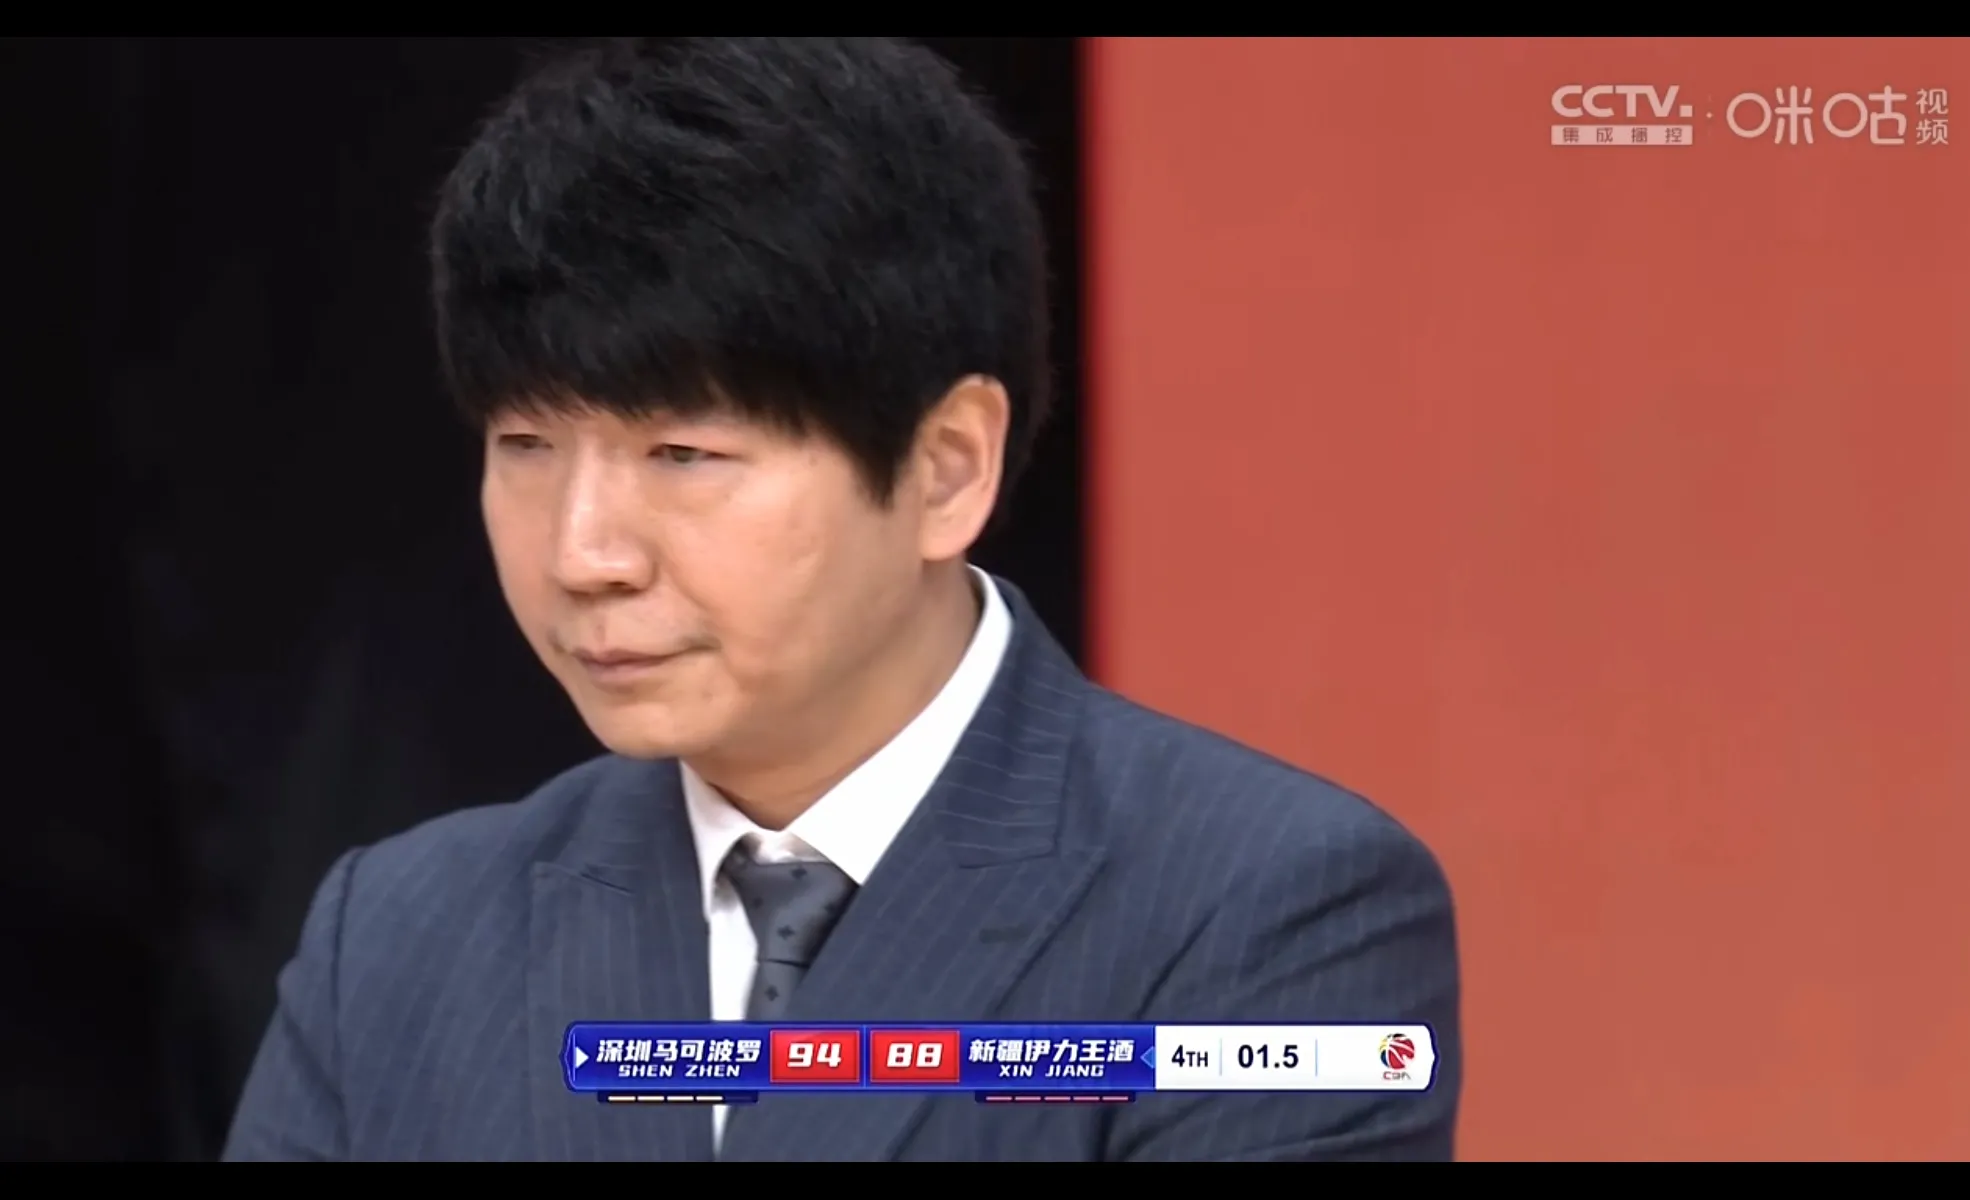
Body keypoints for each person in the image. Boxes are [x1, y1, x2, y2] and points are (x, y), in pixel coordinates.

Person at [222, 36, 1461, 1162]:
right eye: (526, 446)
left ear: (945, 467)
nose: (584, 552)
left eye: (684, 455)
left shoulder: (1268, 905)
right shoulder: (398, 932)